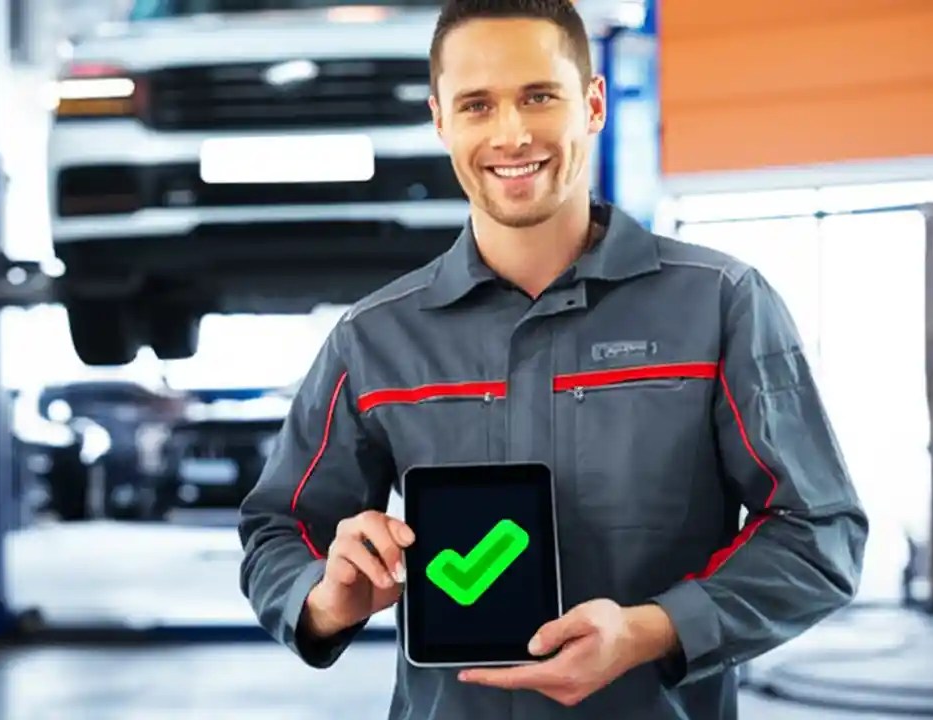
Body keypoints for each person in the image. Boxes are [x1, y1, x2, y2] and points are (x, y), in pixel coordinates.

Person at [236, 0, 869, 717]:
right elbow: (277, 532)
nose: (511, 133)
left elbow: (819, 531)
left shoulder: (721, 306)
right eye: (477, 105)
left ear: (592, 105)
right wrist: (324, 598)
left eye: (539, 96)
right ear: (441, 119)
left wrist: (650, 631)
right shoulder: (374, 339)